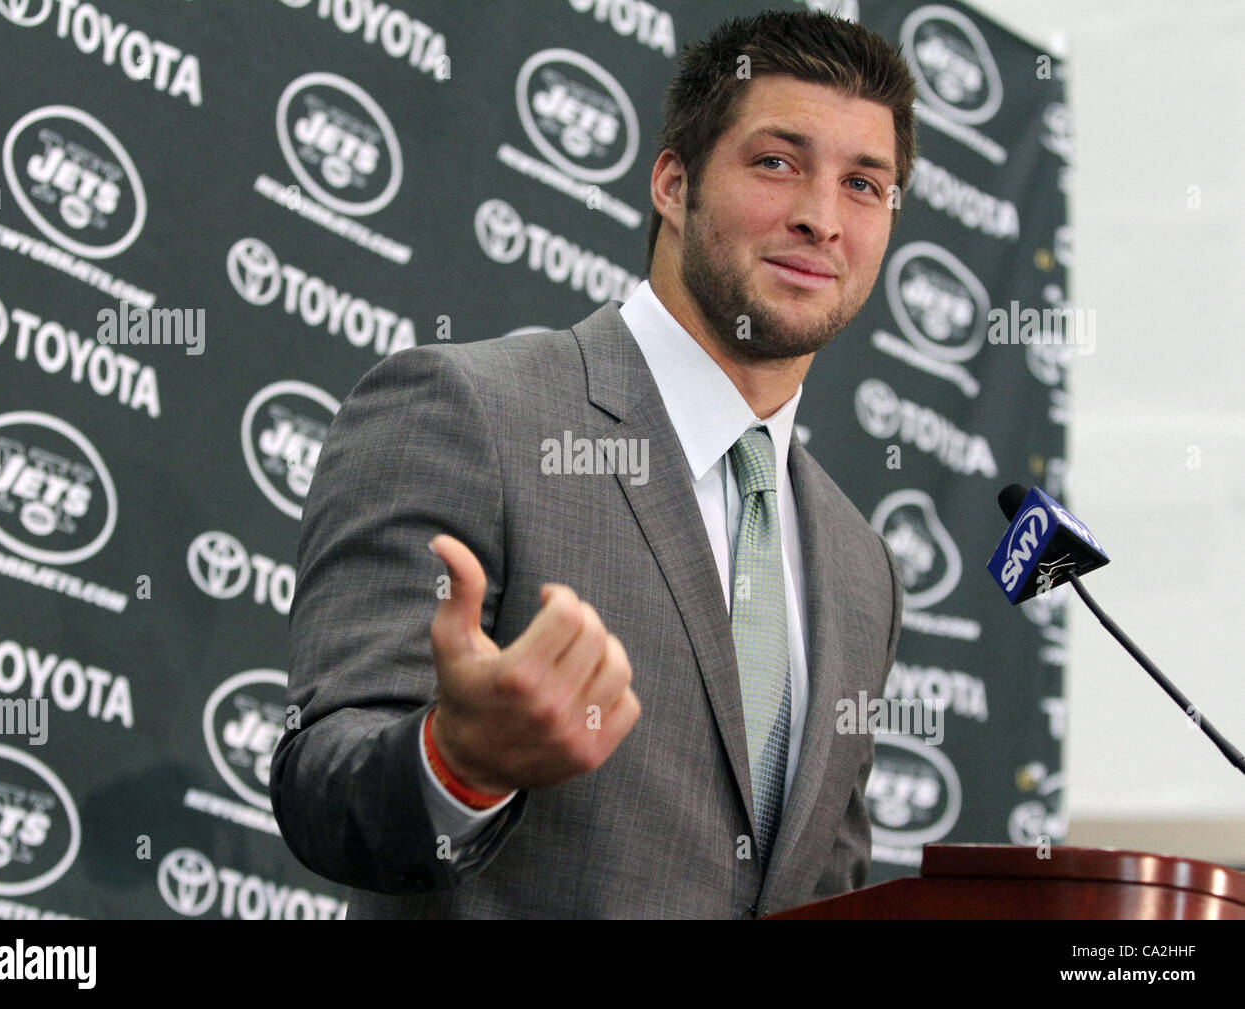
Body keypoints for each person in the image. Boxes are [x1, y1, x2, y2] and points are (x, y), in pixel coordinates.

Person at [271, 8, 915, 919]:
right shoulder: (470, 411)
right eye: (777, 162)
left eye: (864, 184)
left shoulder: (862, 567)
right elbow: (321, 786)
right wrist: (459, 760)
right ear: (672, 181)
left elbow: (828, 889)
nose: (820, 218)